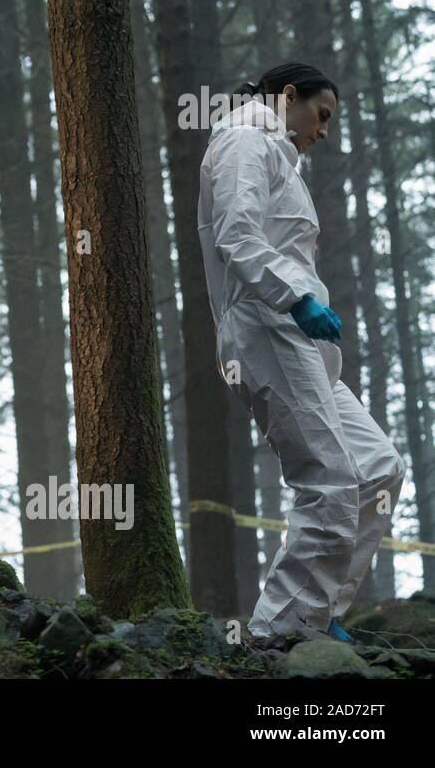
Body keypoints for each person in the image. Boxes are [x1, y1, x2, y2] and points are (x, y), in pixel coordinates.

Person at [197, 61, 406, 644]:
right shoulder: (243, 140)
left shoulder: (278, 156)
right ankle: (282, 634)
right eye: (322, 115)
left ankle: (322, 610)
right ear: (288, 95)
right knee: (331, 478)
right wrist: (296, 300)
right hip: (267, 325)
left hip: (297, 335)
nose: (324, 131)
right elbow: (235, 235)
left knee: (379, 469)